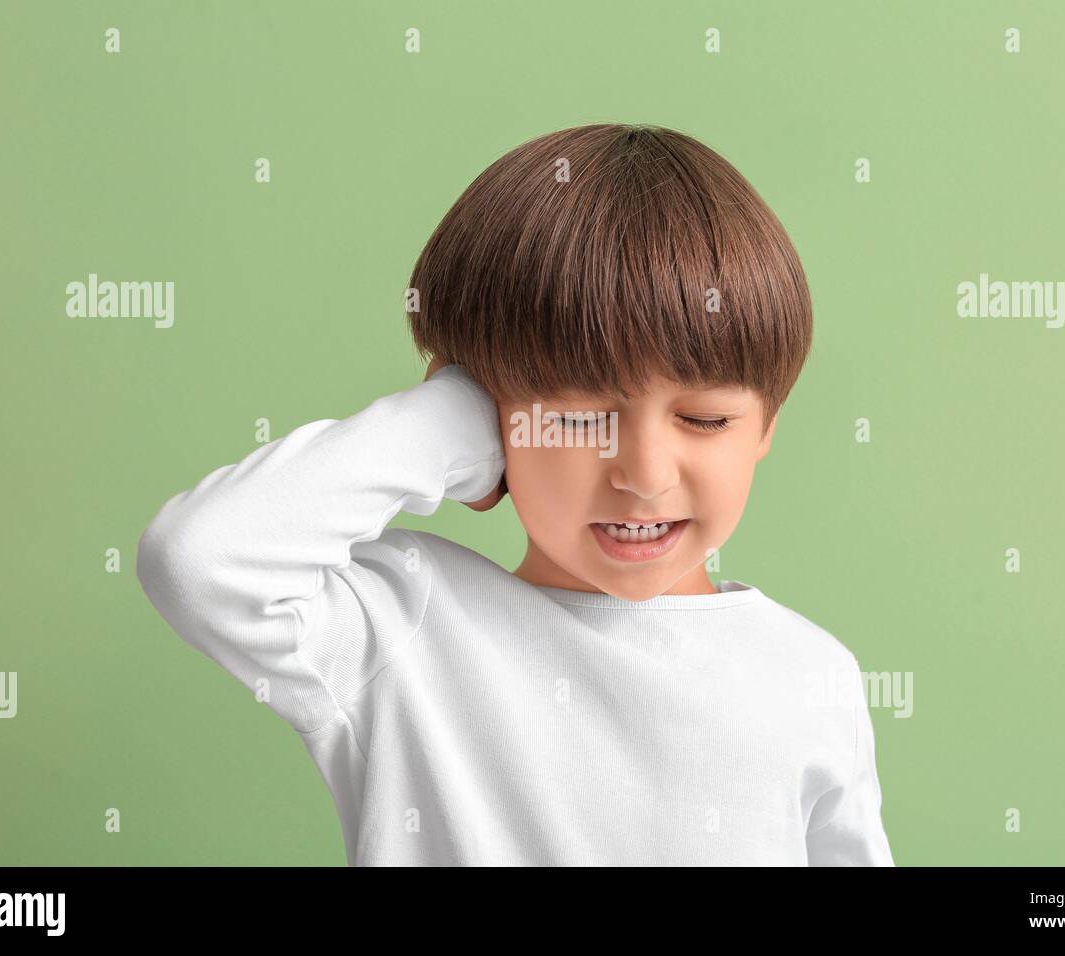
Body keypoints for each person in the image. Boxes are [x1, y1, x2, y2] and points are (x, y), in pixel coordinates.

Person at [135, 123, 894, 866]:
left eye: (705, 419)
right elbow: (200, 558)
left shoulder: (810, 676)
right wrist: (448, 423)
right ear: (489, 424)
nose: (645, 473)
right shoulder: (405, 631)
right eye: (576, 418)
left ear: (765, 425)